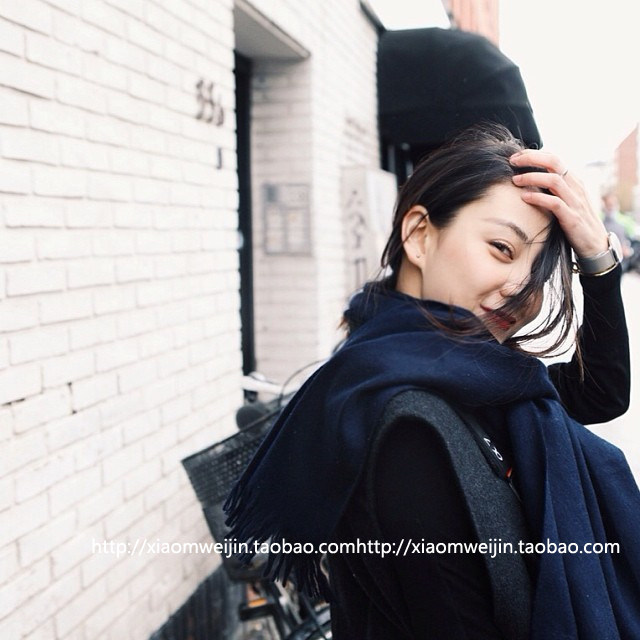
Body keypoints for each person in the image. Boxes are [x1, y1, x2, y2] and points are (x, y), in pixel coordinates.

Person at [225, 125, 639, 639]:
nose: (520, 289)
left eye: (538, 275)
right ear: (420, 234)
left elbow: (600, 393)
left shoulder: (477, 379)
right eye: (502, 248)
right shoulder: (408, 422)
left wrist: (598, 259)